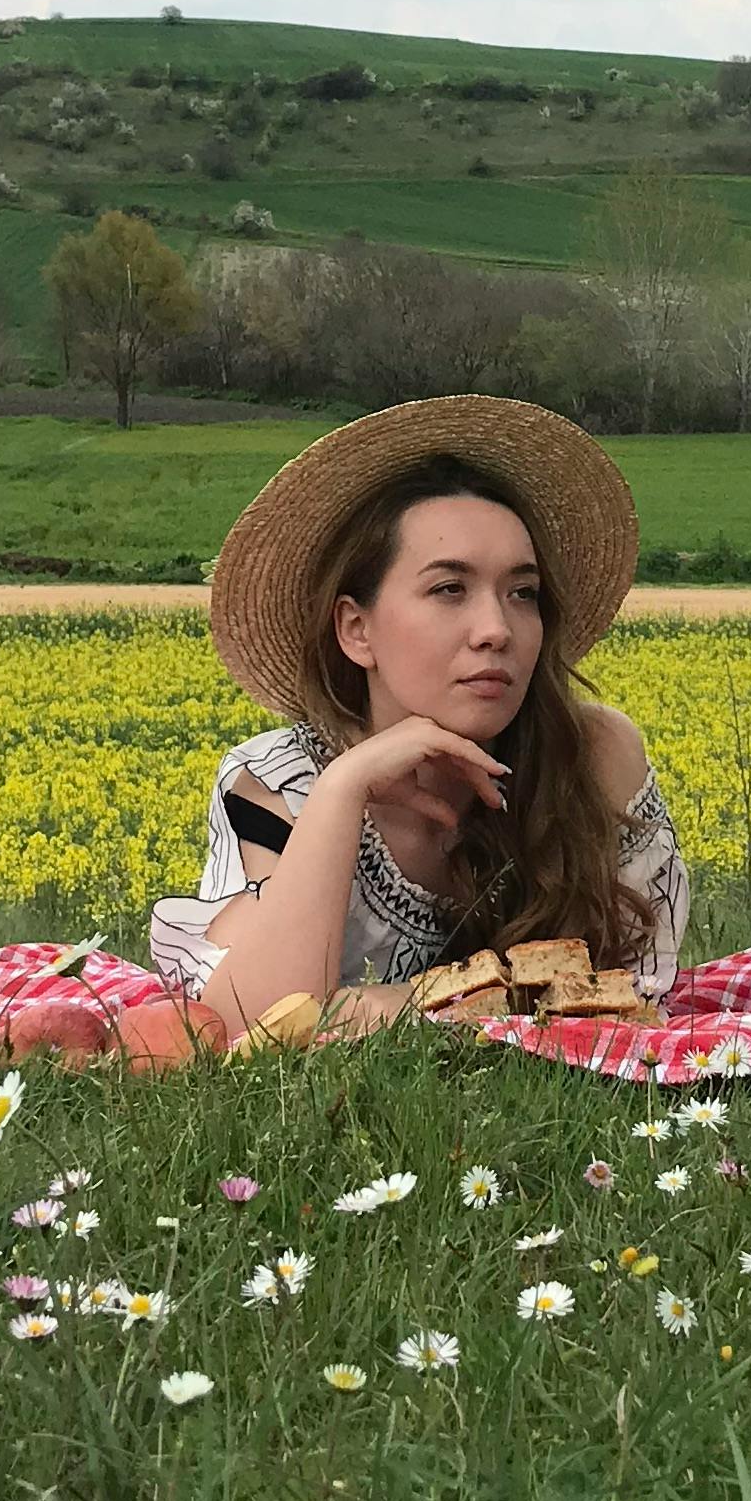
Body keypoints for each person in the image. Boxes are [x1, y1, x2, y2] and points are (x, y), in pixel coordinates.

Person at [141, 395, 687, 1044]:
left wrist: (378, 1006)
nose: (496, 630)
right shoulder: (273, 783)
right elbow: (254, 1028)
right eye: (449, 589)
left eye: (523, 593)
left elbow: (632, 994)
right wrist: (345, 789)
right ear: (356, 630)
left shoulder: (591, 754)